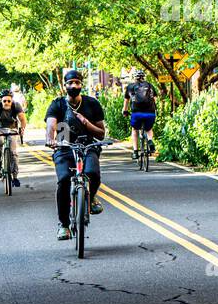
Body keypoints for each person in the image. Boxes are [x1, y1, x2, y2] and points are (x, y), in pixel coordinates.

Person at [44, 69, 107, 241]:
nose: (74, 86)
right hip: (64, 144)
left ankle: (91, 197)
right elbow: (51, 124)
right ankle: (63, 225)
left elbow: (101, 133)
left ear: (81, 85)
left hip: (88, 144)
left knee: (93, 173)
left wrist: (86, 123)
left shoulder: (91, 103)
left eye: (77, 83)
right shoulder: (58, 105)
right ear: (65, 86)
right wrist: (51, 139)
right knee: (64, 179)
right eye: (70, 83)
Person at [0, 89, 26, 184]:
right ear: (1, 100)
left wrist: (22, 129)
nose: (7, 103)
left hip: (12, 128)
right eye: (4, 101)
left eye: (9, 101)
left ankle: (15, 177)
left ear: (11, 100)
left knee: (14, 153)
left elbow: (22, 119)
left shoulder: (16, 105)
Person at [122, 68, 158, 161]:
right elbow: (155, 99)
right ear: (143, 77)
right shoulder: (150, 85)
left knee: (134, 129)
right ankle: (150, 140)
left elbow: (126, 101)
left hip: (136, 113)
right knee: (149, 129)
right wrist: (155, 109)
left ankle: (135, 151)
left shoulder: (130, 87)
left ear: (135, 77)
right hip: (150, 113)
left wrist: (125, 111)